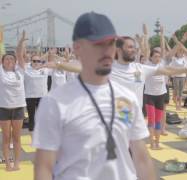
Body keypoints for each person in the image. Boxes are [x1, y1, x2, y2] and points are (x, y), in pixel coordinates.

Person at [33, 12, 156, 180]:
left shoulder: (128, 98)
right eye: (99, 44)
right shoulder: (55, 102)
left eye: (111, 44)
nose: (107, 51)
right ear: (77, 48)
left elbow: (142, 158)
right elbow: (44, 167)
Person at [0, 31, 27, 171]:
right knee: (6, 137)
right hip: (4, 108)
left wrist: (21, 41)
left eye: (12, 59)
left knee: (17, 137)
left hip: (18, 108)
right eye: (6, 59)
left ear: (15, 62)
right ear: (2, 62)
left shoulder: (20, 70)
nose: (9, 61)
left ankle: (17, 163)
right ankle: (7, 164)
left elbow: (19, 53)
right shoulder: (0, 71)